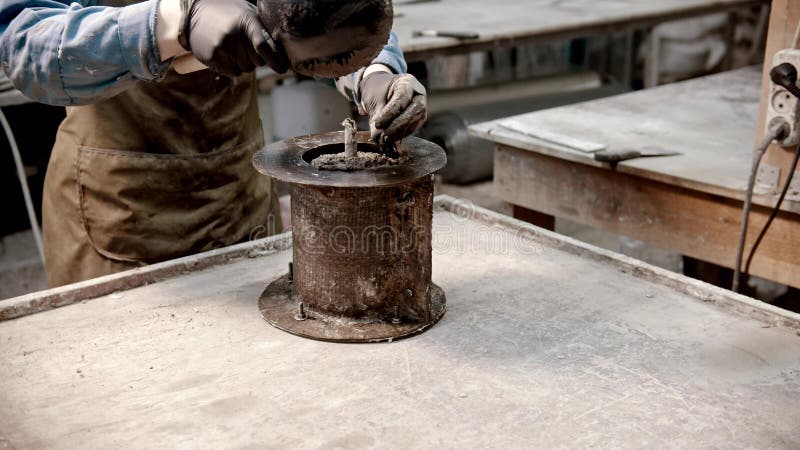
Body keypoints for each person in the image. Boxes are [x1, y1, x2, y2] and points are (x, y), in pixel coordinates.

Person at [0, 0, 427, 287]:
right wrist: (174, 23)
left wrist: (375, 75)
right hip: (121, 213)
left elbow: (326, 14)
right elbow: (24, 42)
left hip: (240, 190)